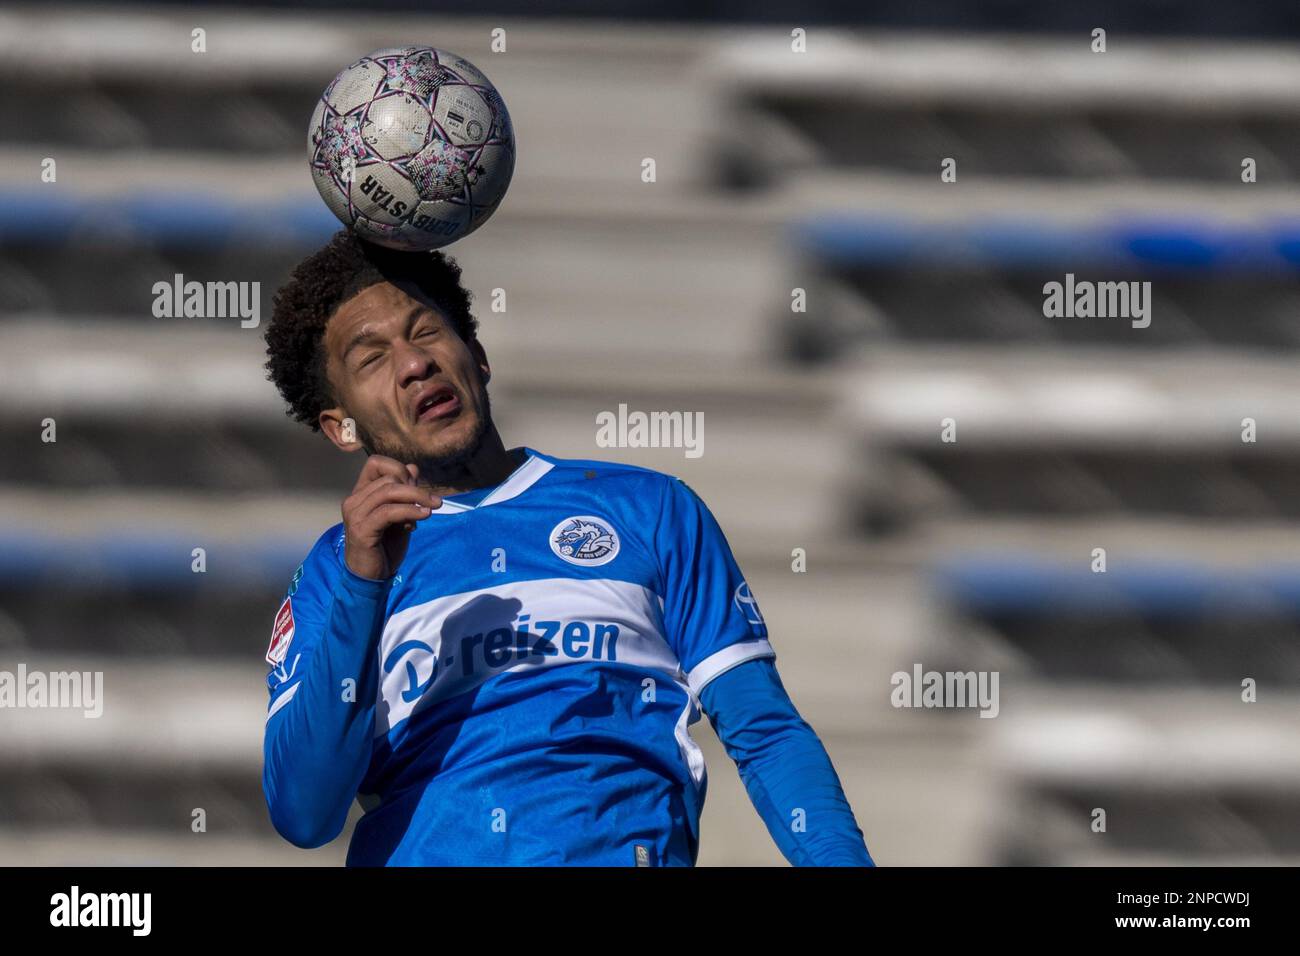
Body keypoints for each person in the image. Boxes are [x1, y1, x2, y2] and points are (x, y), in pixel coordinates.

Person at [259, 229, 874, 866]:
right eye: (372, 358)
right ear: (341, 426)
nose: (415, 364)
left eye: (426, 332)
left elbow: (765, 733)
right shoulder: (336, 573)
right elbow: (304, 813)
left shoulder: (648, 509)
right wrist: (365, 586)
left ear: (477, 352)